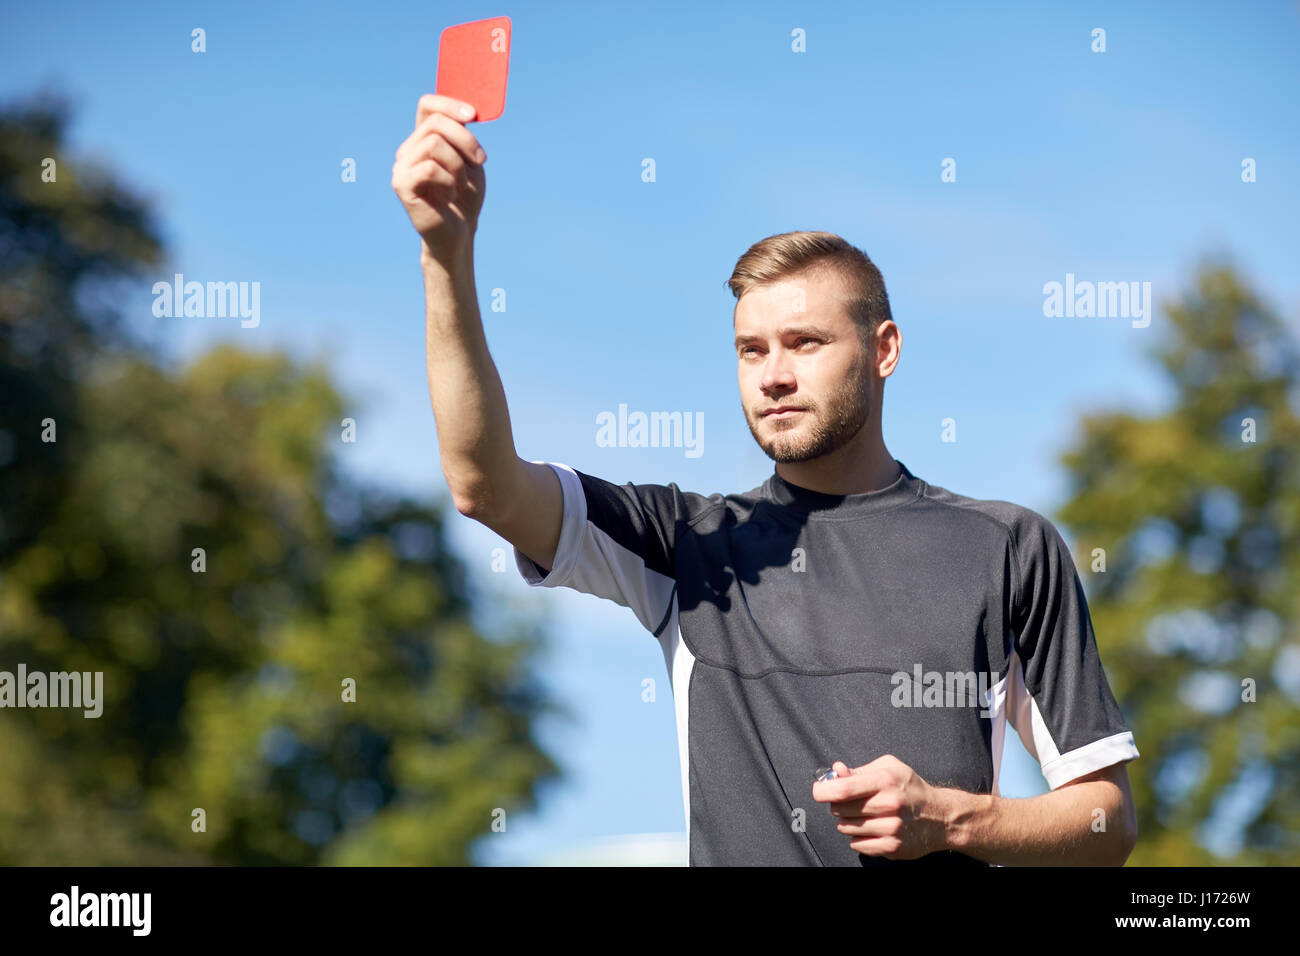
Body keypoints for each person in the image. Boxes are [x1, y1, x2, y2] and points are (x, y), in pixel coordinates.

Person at [391, 93, 1140, 867]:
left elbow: (1106, 822)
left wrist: (949, 822)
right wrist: (445, 255)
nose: (773, 376)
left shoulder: (1007, 546)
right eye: (751, 351)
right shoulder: (686, 542)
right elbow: (484, 485)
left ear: (884, 349)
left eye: (804, 343)